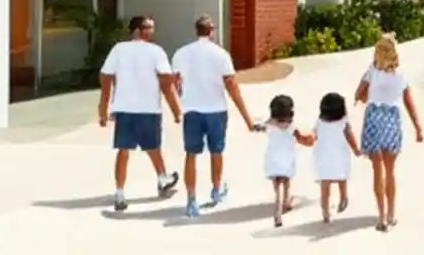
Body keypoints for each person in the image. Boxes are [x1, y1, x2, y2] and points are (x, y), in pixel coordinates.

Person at [171, 15, 258, 217]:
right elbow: (232, 86)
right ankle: (216, 190)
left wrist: (182, 100)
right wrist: (248, 119)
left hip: (192, 110)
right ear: (212, 31)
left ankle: (191, 200)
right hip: (216, 110)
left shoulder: (181, 53)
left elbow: (176, 81)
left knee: (191, 154)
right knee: (216, 152)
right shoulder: (221, 54)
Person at [98, 15, 182, 212]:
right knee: (151, 147)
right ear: (136, 29)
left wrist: (104, 107)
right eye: (147, 27)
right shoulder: (156, 52)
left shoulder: (118, 50)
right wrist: (176, 110)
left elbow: (106, 77)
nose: (151, 31)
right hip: (148, 108)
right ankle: (161, 179)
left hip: (125, 108)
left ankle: (122, 191)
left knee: (125, 150)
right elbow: (166, 84)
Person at [354, 34, 423, 232]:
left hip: (374, 118)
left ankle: (382, 216)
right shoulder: (401, 75)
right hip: (392, 119)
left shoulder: (372, 71)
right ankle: (392, 213)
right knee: (390, 170)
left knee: (378, 170)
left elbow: (358, 93)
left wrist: (368, 96)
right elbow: (409, 103)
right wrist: (418, 128)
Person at [258, 94, 314, 227]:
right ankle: (286, 202)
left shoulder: (269, 124)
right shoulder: (292, 126)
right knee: (286, 181)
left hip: (272, 159)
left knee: (277, 183)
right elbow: (302, 138)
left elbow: (259, 127)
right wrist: (312, 139)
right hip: (287, 159)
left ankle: (278, 205)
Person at [312, 92, 361, 224]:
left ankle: (326, 212)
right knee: (341, 177)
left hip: (323, 156)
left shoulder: (319, 122)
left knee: (325, 185)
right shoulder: (344, 122)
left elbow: (313, 135)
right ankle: (343, 198)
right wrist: (356, 150)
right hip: (340, 154)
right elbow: (350, 137)